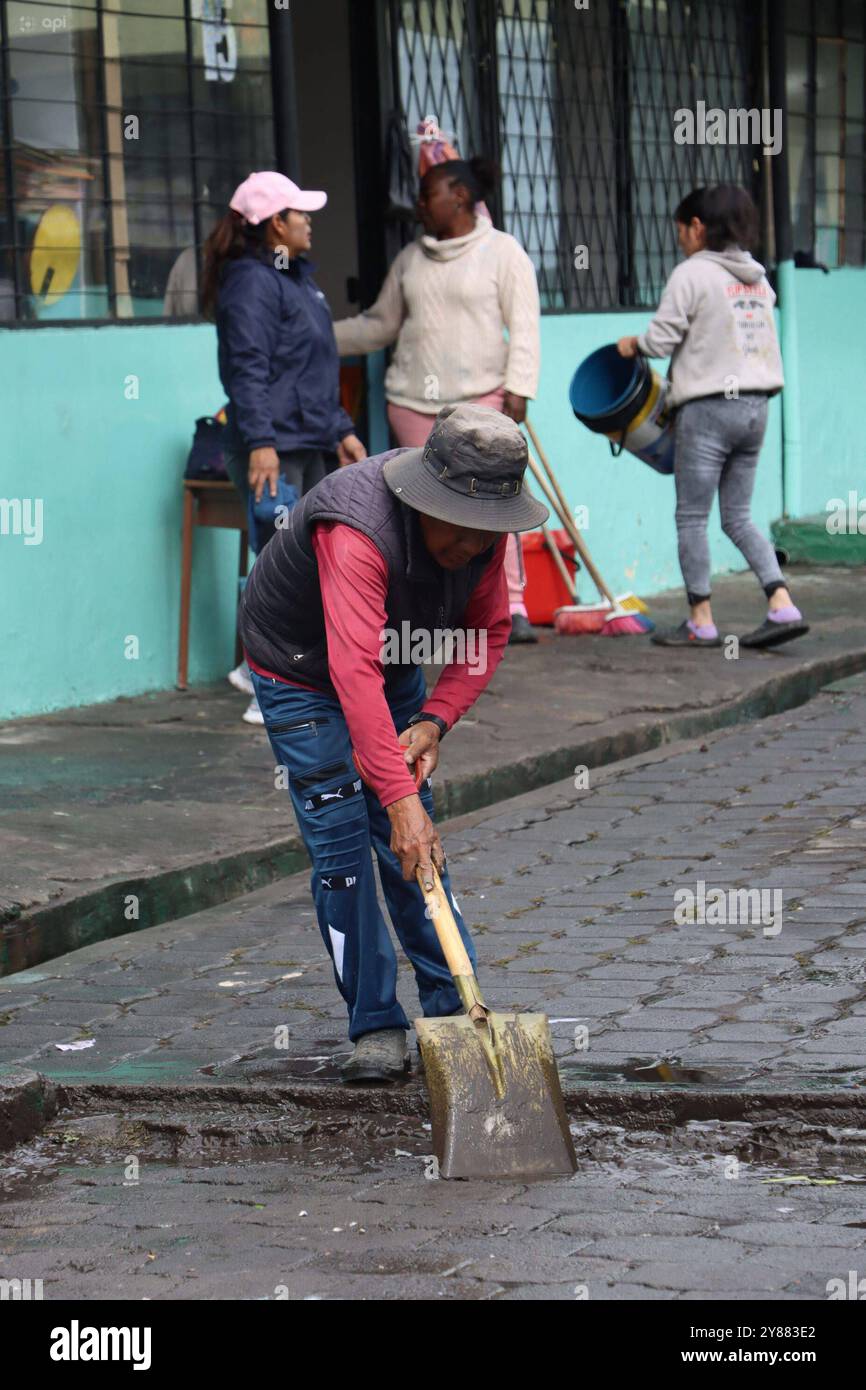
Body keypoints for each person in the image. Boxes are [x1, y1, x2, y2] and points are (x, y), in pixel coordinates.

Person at [238, 404, 548, 1083]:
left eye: (485, 535)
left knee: (414, 846)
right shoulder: (356, 530)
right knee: (345, 845)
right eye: (460, 531)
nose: (472, 548)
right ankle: (375, 1024)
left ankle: (451, 1014)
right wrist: (401, 799)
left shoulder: (488, 536)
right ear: (424, 499)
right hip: (297, 669)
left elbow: (486, 633)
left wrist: (436, 718)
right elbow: (351, 675)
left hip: (391, 657)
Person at [333, 157, 542, 644]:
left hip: (481, 401)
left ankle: (510, 606)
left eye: (428, 195)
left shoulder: (503, 252)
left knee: (491, 505)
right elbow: (380, 325)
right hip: (412, 402)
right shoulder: (410, 259)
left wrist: (519, 388)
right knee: (427, 512)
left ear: (461, 198)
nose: (420, 205)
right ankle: (434, 611)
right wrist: (314, 334)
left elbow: (526, 326)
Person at [201, 171, 367, 721]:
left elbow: (314, 368)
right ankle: (268, 683)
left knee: (316, 558)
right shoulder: (251, 282)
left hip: (309, 439)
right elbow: (247, 370)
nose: (310, 221)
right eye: (302, 213)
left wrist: (341, 429)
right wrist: (262, 443)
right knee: (281, 562)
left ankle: (263, 670)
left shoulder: (297, 280)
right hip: (273, 447)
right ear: (277, 223)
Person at [617, 184, 808, 650]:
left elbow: (662, 339)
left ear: (698, 228)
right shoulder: (760, 280)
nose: (681, 239)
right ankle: (781, 603)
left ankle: (701, 621)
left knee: (691, 517)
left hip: (708, 409)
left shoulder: (693, 274)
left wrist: (633, 345)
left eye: (681, 230)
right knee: (738, 515)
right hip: (756, 409)